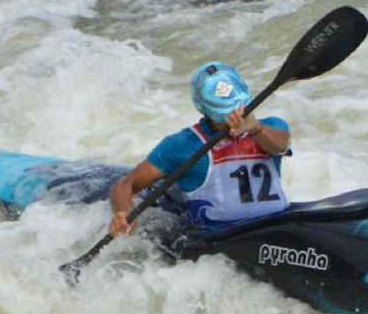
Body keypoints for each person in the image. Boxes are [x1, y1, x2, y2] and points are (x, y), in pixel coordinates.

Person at [107, 62, 292, 236]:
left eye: (237, 109)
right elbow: (125, 185)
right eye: (222, 114)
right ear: (205, 112)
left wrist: (256, 128)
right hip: (218, 235)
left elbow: (281, 145)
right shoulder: (184, 144)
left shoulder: (271, 126)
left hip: (274, 225)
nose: (232, 118)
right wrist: (124, 212)